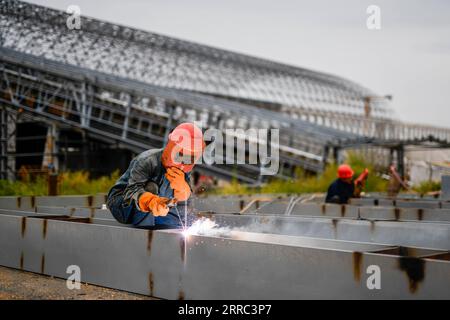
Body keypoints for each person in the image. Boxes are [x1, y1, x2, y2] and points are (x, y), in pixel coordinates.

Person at [106, 122, 205, 229]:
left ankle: (157, 220)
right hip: (123, 204)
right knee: (151, 188)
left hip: (155, 206)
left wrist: (183, 190)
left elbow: (185, 200)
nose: (182, 165)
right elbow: (132, 190)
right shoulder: (147, 160)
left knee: (182, 218)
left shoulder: (184, 167)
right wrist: (150, 201)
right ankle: (145, 230)